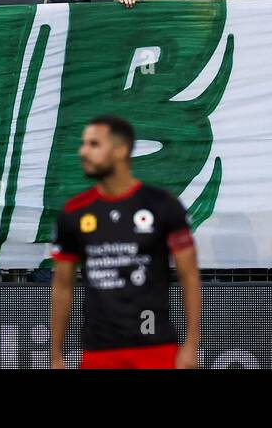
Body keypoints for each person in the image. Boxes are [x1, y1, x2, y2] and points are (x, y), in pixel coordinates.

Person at [48, 115, 201, 369]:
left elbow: (190, 277)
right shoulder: (73, 213)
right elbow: (63, 286)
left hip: (156, 347)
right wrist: (56, 356)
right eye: (83, 144)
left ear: (121, 150)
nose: (83, 152)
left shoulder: (163, 205)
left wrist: (191, 343)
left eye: (94, 144)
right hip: (99, 351)